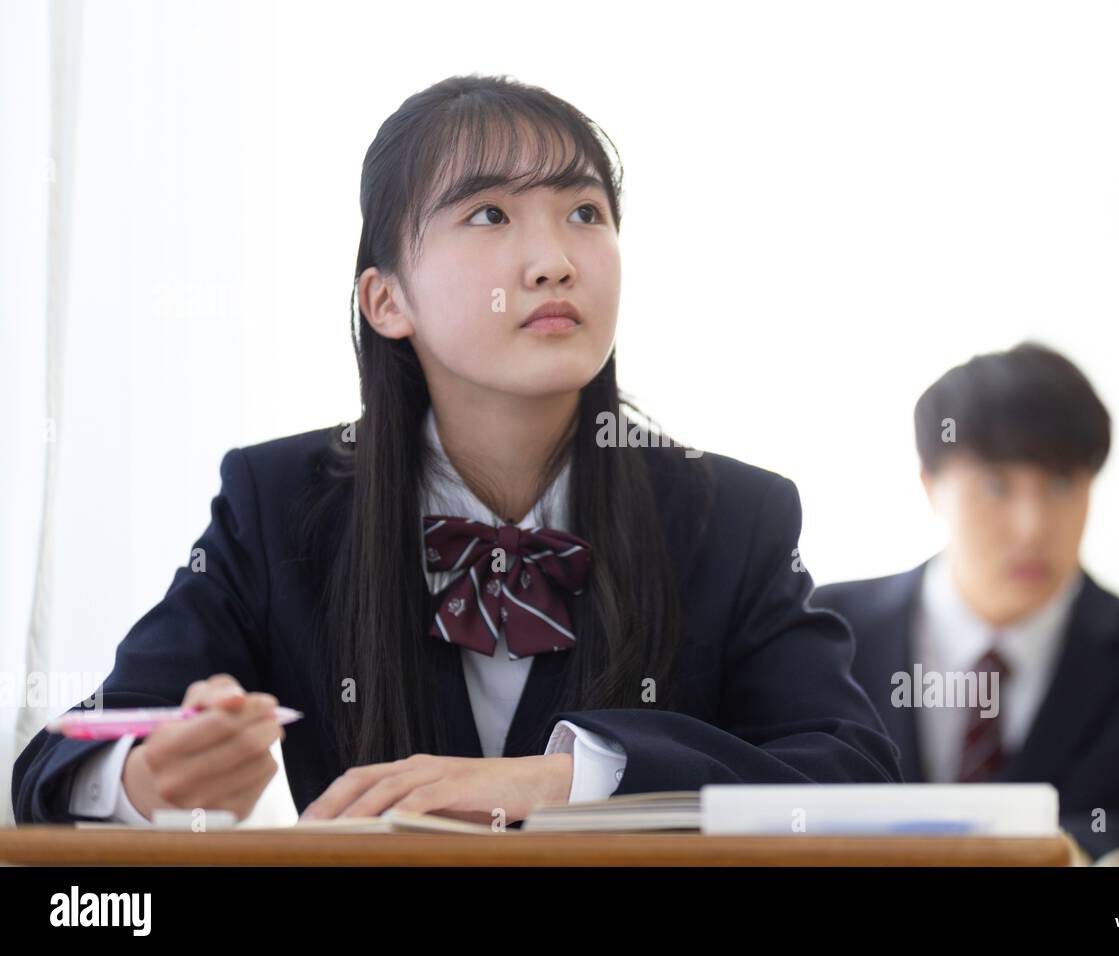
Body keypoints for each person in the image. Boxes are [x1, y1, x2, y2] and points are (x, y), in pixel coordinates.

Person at [12, 74, 899, 827]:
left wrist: (571, 779)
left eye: (585, 211)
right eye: (489, 214)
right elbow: (55, 763)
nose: (553, 260)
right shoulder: (275, 500)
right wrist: (144, 780)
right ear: (386, 299)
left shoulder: (729, 515)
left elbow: (856, 777)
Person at [813, 342, 1119, 865]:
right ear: (930, 485)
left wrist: (1040, 849)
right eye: (996, 486)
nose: (1032, 527)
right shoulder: (830, 630)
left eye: (1062, 485)